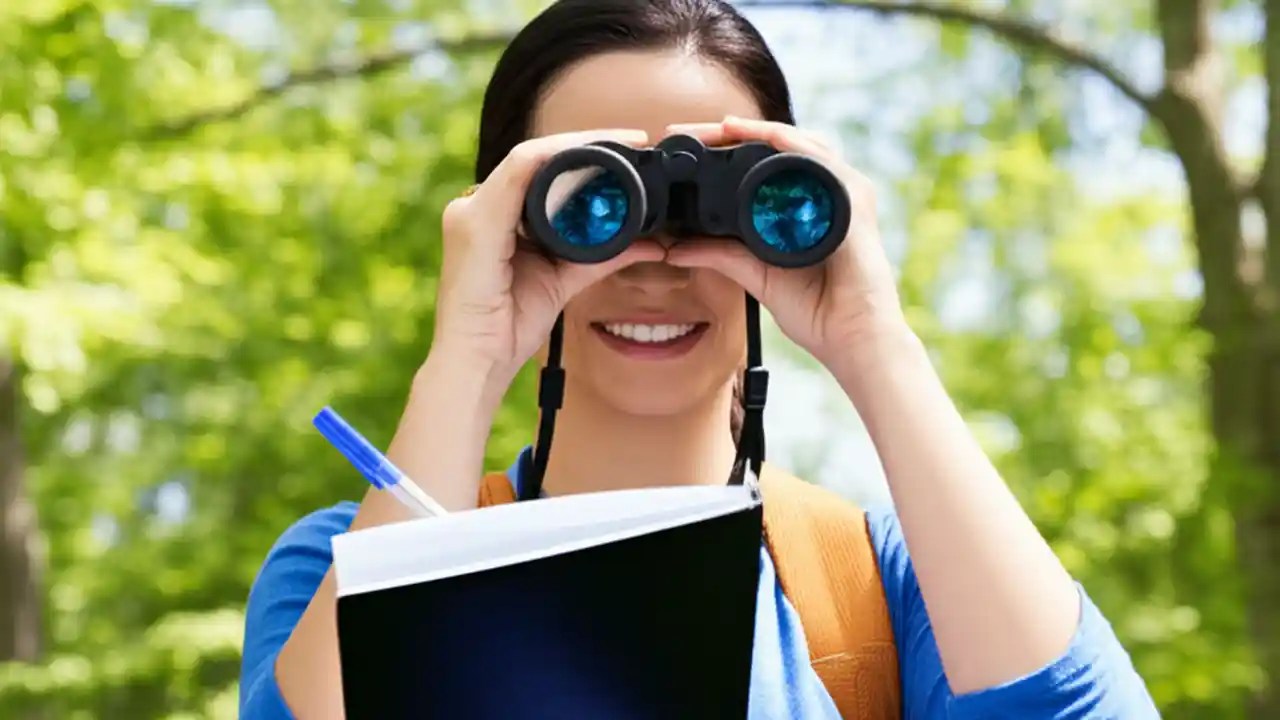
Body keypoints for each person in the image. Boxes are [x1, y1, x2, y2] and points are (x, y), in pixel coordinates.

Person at [238, 1, 1161, 717]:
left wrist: (877, 342)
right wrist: (467, 357)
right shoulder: (345, 560)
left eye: (716, 206)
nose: (657, 265)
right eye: (596, 200)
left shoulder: (881, 584)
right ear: (506, 220)